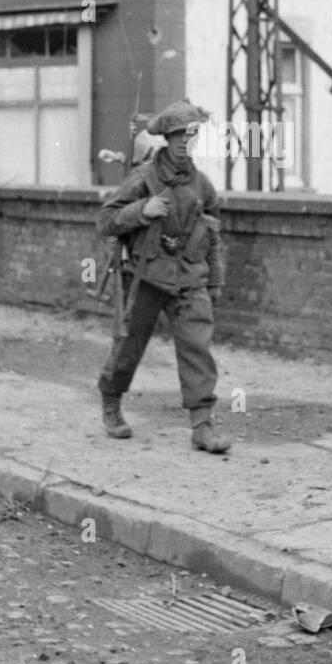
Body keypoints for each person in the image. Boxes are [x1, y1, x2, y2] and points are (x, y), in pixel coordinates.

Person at [96, 99, 228, 452]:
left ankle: (202, 424)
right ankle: (111, 403)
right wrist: (143, 209)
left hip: (189, 277)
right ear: (167, 140)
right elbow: (105, 221)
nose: (187, 144)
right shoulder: (143, 179)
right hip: (146, 275)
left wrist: (214, 281)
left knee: (197, 347)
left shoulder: (203, 185)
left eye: (193, 136)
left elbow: (213, 235)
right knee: (129, 346)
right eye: (180, 137)